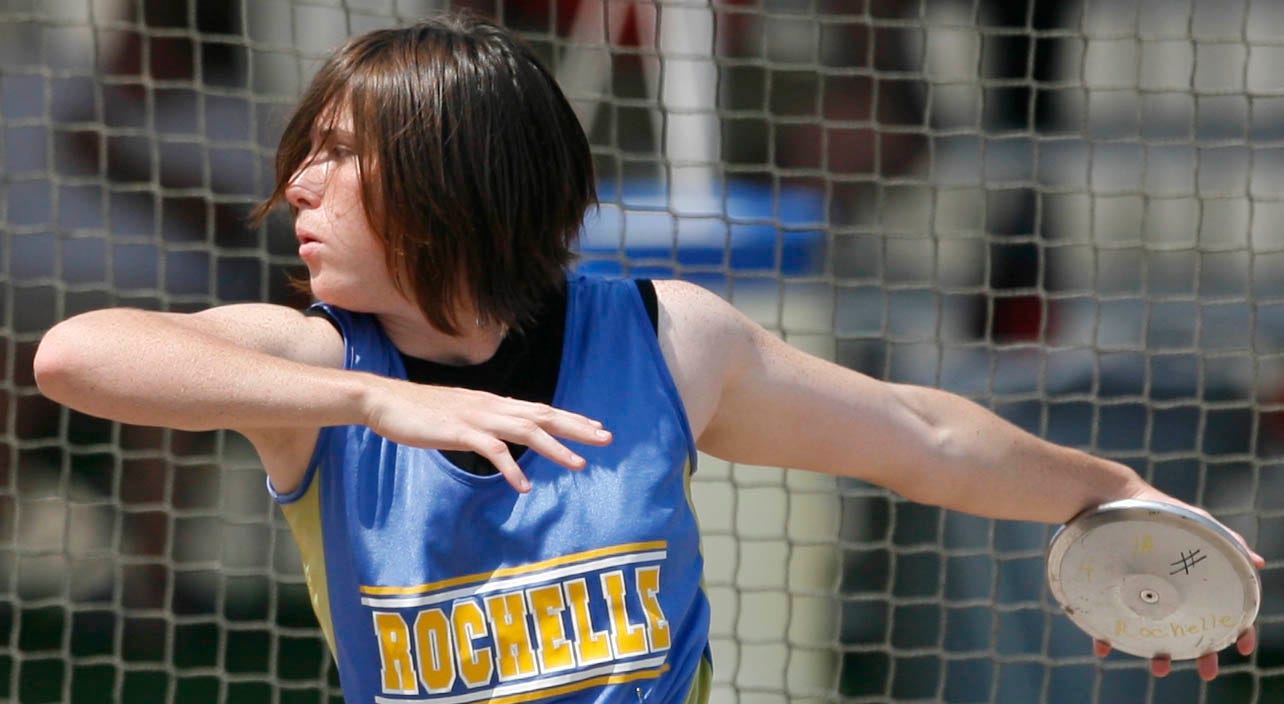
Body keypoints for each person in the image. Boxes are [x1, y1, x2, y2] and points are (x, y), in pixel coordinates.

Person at [32, 12, 1261, 704]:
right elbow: (77, 356)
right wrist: (370, 400)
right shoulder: (309, 363)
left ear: (455, 177)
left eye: (339, 152)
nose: (297, 180)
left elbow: (925, 436)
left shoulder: (667, 335)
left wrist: (1118, 496)